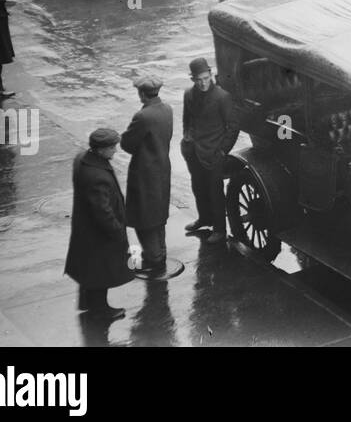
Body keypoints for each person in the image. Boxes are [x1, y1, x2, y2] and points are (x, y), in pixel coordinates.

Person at [64, 127, 133, 322]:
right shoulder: (97, 177)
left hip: (86, 230)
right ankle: (101, 310)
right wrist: (117, 230)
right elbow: (102, 211)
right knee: (101, 273)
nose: (115, 151)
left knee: (91, 270)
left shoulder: (82, 159)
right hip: (99, 234)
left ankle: (91, 305)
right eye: (112, 148)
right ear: (101, 150)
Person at [120, 75, 173, 278]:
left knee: (144, 218)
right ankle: (160, 252)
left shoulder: (143, 116)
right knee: (158, 215)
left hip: (144, 173)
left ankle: (154, 260)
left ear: (142, 94)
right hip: (162, 169)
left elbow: (127, 144)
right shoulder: (167, 109)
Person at [181, 57, 238, 245]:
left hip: (214, 153)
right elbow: (187, 120)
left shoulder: (222, 97)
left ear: (211, 74)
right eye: (198, 80)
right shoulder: (189, 95)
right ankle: (204, 219)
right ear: (193, 79)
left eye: (206, 78)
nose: (203, 83)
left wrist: (222, 151)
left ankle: (220, 230)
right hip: (194, 151)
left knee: (215, 191)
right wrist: (187, 140)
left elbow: (233, 127)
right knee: (198, 187)